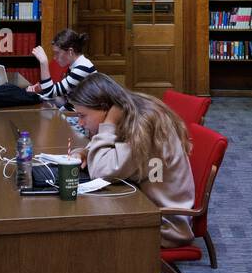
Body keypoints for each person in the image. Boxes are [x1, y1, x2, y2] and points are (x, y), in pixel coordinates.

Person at [65, 72, 195, 247]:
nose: (80, 123)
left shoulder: (144, 125)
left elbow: (101, 171)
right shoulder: (130, 112)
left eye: (82, 115)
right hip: (141, 205)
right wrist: (85, 152)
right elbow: (116, 151)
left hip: (163, 224)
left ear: (106, 108)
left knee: (80, 232)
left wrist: (108, 124)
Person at [27, 28, 96, 104]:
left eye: (57, 53)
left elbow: (50, 92)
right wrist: (43, 90)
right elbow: (63, 97)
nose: (54, 57)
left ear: (70, 51)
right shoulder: (76, 65)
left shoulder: (82, 68)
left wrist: (43, 62)